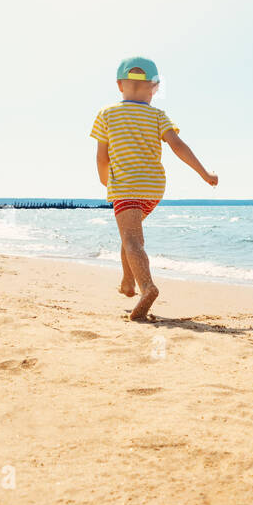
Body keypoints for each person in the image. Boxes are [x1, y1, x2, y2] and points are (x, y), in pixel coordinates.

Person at [91, 56, 217, 320]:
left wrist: (105, 180)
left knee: (131, 238)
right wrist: (204, 173)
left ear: (119, 85)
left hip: (125, 185)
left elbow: (102, 156)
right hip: (153, 187)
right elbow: (178, 146)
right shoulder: (158, 115)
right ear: (155, 87)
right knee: (131, 235)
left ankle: (146, 287)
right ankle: (127, 282)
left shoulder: (107, 114)